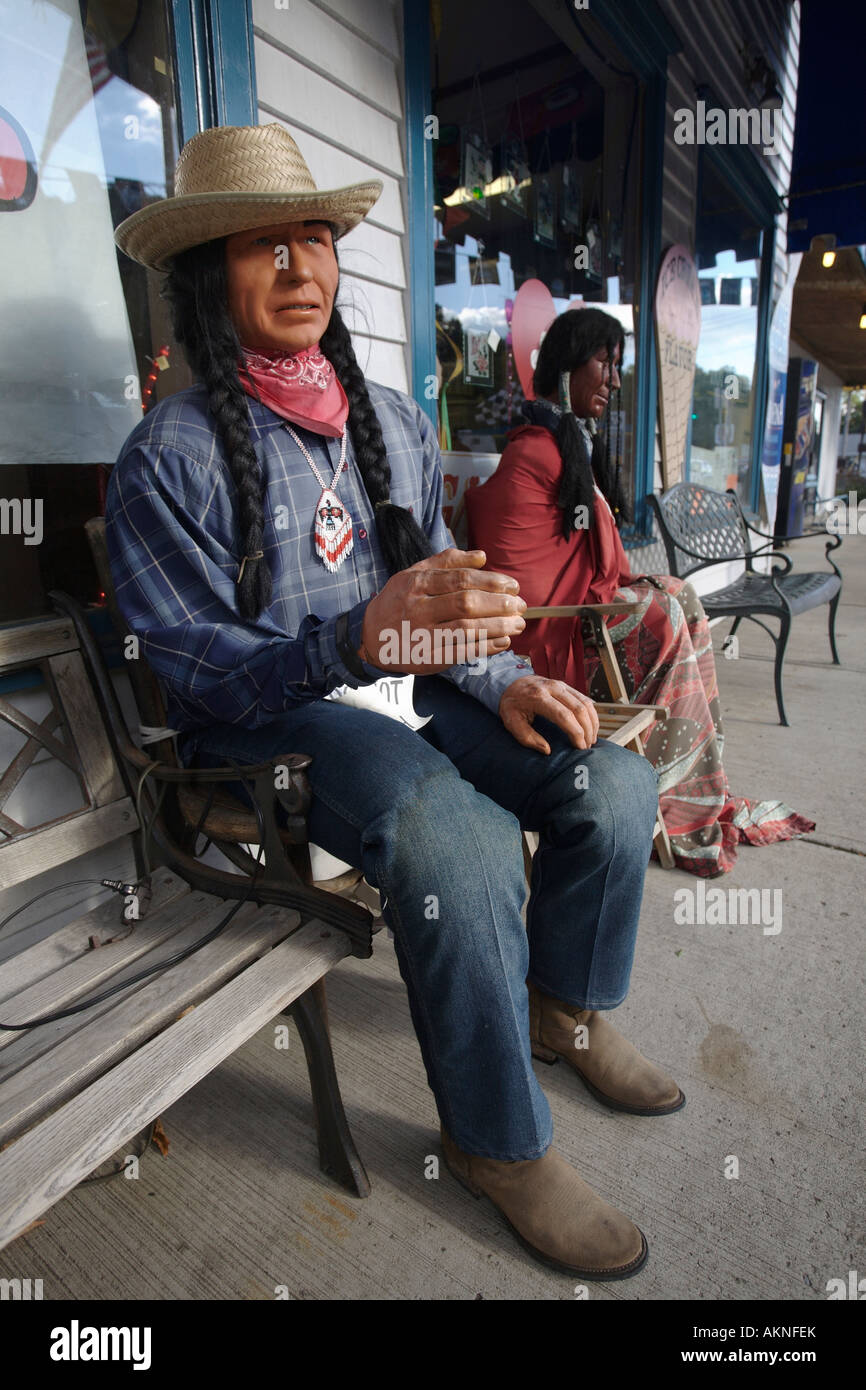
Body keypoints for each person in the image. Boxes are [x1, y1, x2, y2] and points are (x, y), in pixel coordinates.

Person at [106, 124, 684, 1281]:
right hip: (265, 729)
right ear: (205, 275)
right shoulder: (164, 456)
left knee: (608, 780)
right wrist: (347, 638)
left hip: (404, 696)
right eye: (261, 246)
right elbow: (199, 674)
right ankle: (494, 1142)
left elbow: (438, 614)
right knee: (456, 834)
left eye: (312, 238)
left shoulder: (393, 423)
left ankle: (557, 1013)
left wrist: (500, 676)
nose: (299, 269)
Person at [465, 308, 814, 876]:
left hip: (575, 620)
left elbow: (590, 558)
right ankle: (675, 805)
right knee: (662, 614)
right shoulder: (534, 453)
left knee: (681, 599)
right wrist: (632, 596)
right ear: (566, 367)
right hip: (545, 642)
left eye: (619, 365)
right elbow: (524, 587)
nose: (617, 380)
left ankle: (697, 789)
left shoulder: (563, 442)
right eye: (605, 361)